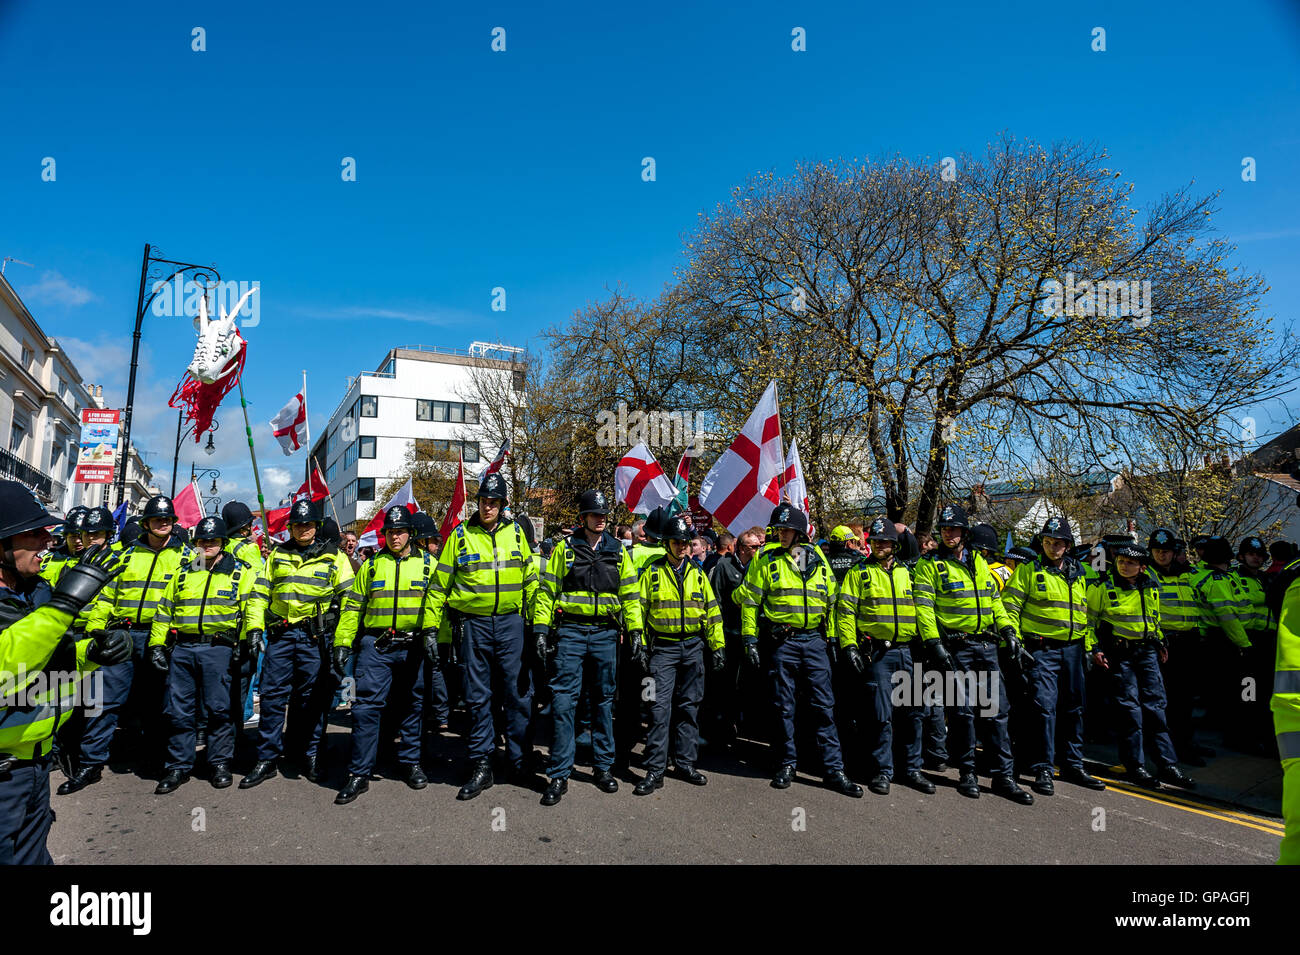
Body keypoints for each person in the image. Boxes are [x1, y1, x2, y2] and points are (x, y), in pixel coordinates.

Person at [0, 481, 128, 863]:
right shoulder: (48, 599)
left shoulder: (35, 590)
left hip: (34, 765)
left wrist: (93, 653)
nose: (48, 539)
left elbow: (49, 659)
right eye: (34, 532)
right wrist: (64, 605)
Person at [425, 473, 538, 800]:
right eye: (483, 501)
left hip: (511, 625)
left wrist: (538, 624)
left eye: (494, 502)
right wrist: (431, 629)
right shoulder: (459, 537)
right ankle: (482, 764)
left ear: (503, 505)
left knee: (518, 695)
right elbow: (438, 587)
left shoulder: (517, 534)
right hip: (473, 627)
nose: (488, 507)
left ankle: (518, 761)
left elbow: (531, 581)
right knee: (478, 697)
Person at [737, 503, 862, 797]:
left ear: (799, 533)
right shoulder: (766, 560)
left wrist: (832, 639)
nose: (781, 534)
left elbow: (831, 601)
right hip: (784, 643)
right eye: (778, 530)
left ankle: (833, 770)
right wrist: (749, 639)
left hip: (815, 642)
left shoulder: (815, 558)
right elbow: (751, 603)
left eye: (787, 530)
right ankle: (786, 763)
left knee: (824, 707)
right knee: (783, 706)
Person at [913, 504, 1033, 804]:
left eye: (953, 529)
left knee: (996, 713)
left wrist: (1008, 632)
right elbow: (924, 608)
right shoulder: (930, 565)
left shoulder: (978, 561)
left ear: (965, 533)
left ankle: (1003, 776)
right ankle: (967, 773)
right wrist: (933, 643)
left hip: (987, 646)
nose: (948, 533)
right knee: (963, 714)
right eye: (944, 529)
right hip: (957, 648)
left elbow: (995, 602)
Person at [534, 490, 642, 805]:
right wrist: (541, 628)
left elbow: (631, 596)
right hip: (571, 633)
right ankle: (558, 774)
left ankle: (603, 768)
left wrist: (635, 630)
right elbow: (547, 590)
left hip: (606, 635)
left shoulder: (619, 551)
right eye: (595, 514)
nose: (601, 519)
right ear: (582, 518)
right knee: (564, 703)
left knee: (603, 703)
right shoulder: (565, 550)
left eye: (604, 515)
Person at [240, 498, 355, 788]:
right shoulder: (277, 556)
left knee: (312, 700)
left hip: (315, 640)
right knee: (272, 696)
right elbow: (259, 595)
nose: (303, 528)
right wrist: (254, 626)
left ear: (316, 526)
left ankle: (311, 754)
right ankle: (266, 758)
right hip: (280, 637)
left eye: (308, 523)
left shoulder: (335, 557)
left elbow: (351, 603)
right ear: (290, 527)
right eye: (298, 524)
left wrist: (342, 641)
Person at [75, 495, 190, 782]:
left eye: (167, 519)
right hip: (121, 635)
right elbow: (106, 595)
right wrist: (96, 630)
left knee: (158, 703)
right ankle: (90, 764)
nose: (163, 523)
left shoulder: (188, 557)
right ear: (146, 523)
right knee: (103, 700)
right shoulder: (124, 555)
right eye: (157, 519)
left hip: (162, 638)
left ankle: (153, 759)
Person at [148, 516, 257, 794]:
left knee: (219, 710)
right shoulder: (183, 573)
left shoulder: (240, 572)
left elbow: (251, 609)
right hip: (183, 649)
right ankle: (178, 766)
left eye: (213, 540)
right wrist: (156, 645)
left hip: (218, 649)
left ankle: (219, 762)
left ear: (222, 543)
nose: (207, 545)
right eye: (202, 540)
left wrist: (247, 641)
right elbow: (164, 612)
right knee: (179, 711)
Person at [331, 506, 433, 803]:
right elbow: (352, 608)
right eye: (390, 531)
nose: (395, 536)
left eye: (400, 531)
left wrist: (439, 642)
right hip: (376, 646)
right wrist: (342, 642)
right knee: (365, 709)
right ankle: (359, 773)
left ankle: (410, 763)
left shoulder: (429, 565)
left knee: (413, 707)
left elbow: (437, 605)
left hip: (413, 646)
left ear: (410, 533)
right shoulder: (372, 566)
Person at [1001, 517, 1105, 795]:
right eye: (1047, 542)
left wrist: (1089, 647)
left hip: (1073, 650)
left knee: (1075, 708)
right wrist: (1014, 637)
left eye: (1057, 543)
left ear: (1067, 545)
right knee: (1044, 709)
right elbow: (1010, 605)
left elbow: (1087, 616)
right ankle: (1043, 768)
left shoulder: (1080, 572)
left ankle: (1072, 764)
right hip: (1042, 650)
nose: (1052, 547)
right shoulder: (1029, 570)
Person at [837, 517, 933, 795]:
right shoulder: (859, 573)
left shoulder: (909, 572)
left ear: (894, 544)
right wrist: (849, 646)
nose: (880, 545)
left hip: (909, 651)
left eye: (885, 541)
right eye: (876, 541)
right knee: (882, 716)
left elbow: (925, 609)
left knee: (914, 714)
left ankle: (912, 769)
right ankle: (882, 771)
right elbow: (845, 613)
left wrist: (930, 643)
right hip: (879, 654)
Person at [1088, 541, 1195, 790]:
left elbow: (1152, 618)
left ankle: (1166, 764)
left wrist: (1159, 642)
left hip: (1146, 652)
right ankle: (1135, 765)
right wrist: (1095, 648)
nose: (1125, 566)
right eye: (1121, 561)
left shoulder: (1149, 586)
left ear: (1142, 567)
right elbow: (1088, 621)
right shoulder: (1103, 587)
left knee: (1156, 708)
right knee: (1130, 712)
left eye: (1131, 563)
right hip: (1120, 653)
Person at [632, 514, 724, 794]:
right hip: (663, 649)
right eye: (676, 541)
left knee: (689, 707)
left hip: (693, 648)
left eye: (685, 542)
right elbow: (639, 608)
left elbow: (712, 612)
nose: (682, 546)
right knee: (659, 710)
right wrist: (641, 641)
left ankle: (684, 763)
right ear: (666, 543)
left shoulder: (698, 573)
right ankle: (655, 769)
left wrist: (717, 645)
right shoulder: (652, 572)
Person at [1148, 527, 1212, 766]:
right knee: (1169, 700)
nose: (1162, 555)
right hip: (1165, 643)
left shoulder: (1185, 574)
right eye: (1157, 551)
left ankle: (1187, 742)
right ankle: (1173, 749)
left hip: (1189, 641)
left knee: (1186, 699)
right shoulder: (1148, 575)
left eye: (1166, 551)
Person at [1192, 535, 1256, 752]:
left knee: (1233, 692)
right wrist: (1245, 645)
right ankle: (1240, 737)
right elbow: (1228, 616)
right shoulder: (1217, 581)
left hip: (1225, 640)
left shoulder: (1216, 576)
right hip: (1228, 641)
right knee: (1241, 692)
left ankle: (1238, 734)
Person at [705, 526, 763, 753]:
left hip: (752, 635)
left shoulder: (760, 566)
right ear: (741, 548)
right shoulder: (724, 567)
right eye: (753, 546)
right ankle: (723, 728)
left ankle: (748, 726)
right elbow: (716, 601)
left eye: (759, 546)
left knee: (749, 684)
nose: (758, 550)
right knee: (726, 684)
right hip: (730, 633)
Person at [221, 501, 265, 752]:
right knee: (240, 685)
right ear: (245, 528)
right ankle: (235, 739)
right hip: (243, 623)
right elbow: (258, 584)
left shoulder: (218, 546)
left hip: (220, 624)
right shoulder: (249, 550)